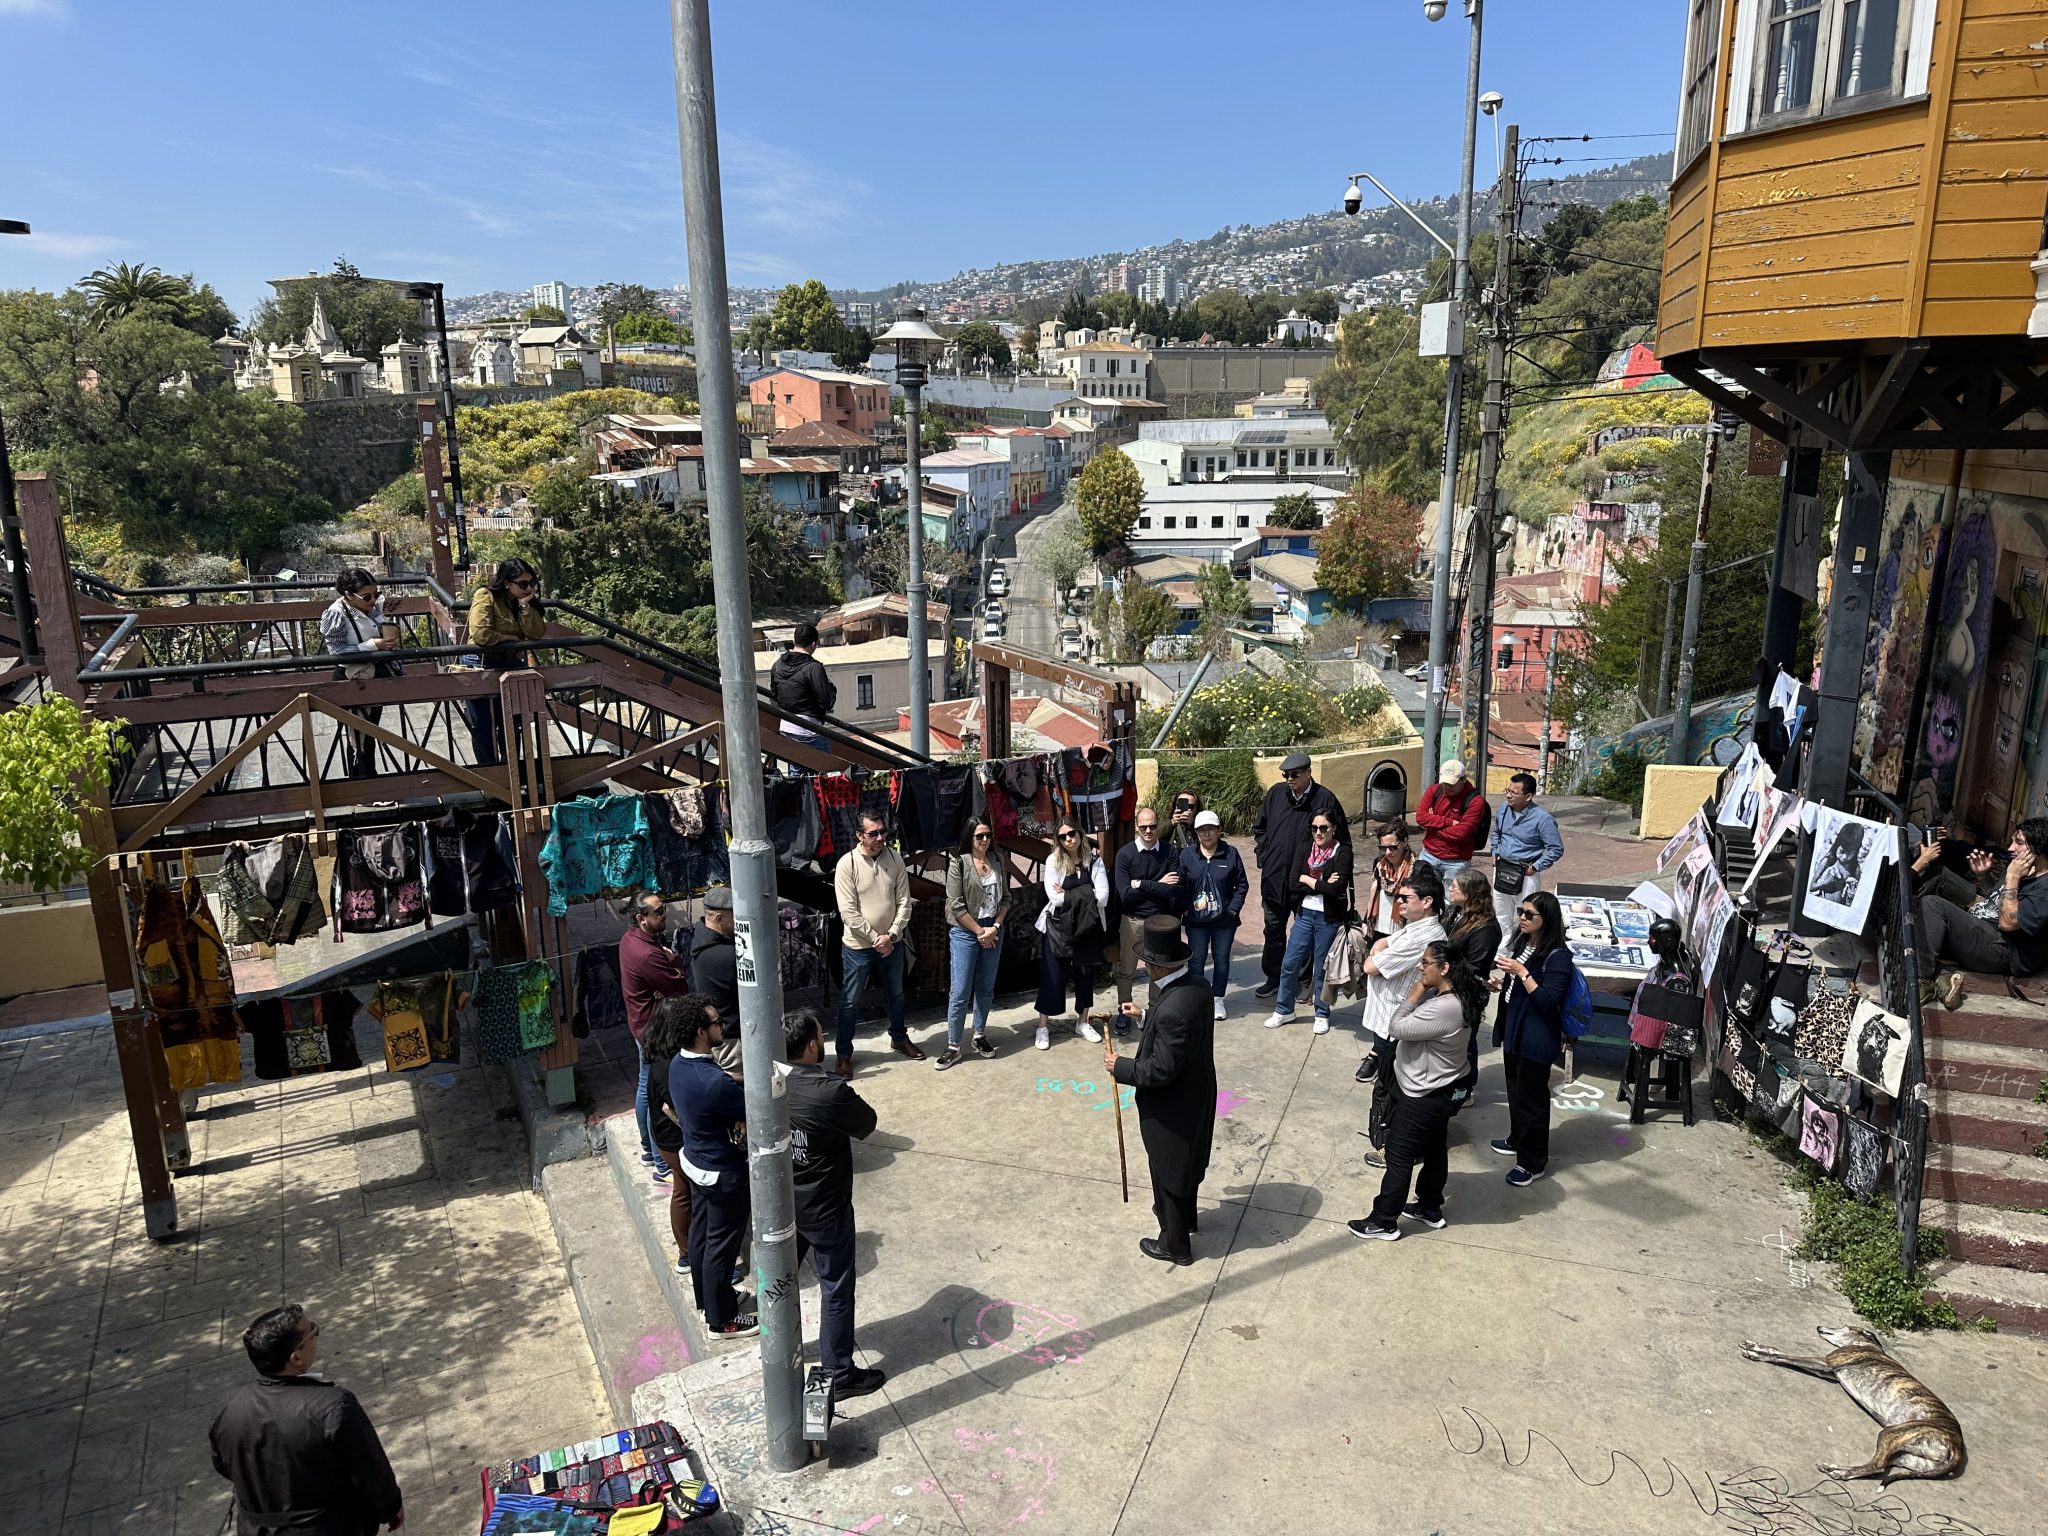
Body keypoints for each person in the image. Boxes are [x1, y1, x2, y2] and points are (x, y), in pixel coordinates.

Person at [209, 1303, 404, 1535]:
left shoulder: (229, 1404)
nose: (316, 1334)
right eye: (313, 1331)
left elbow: (224, 1464)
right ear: (297, 1358)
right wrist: (390, 1507)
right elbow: (369, 1467)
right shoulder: (333, 1406)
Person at [781, 1007, 886, 1399]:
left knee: (779, 1280)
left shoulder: (770, 1080)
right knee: (836, 1289)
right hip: (826, 1209)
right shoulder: (828, 1089)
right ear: (812, 1045)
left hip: (783, 1205)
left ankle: (778, 1351)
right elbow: (867, 1122)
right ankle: (839, 1373)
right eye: (821, 1036)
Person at [1348, 940, 1483, 1241]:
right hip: (1446, 1088)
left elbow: (1395, 1026)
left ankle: (1384, 1220)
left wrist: (1414, 995)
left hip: (1424, 1094)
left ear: (1445, 968)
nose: (1421, 968)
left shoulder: (1443, 1007)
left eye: (1425, 963)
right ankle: (1429, 1207)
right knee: (1435, 1147)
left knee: (1399, 1155)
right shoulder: (1462, 995)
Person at [1104, 915, 1217, 1266]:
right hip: (1198, 1094)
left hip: (1172, 1106)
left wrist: (1120, 1066)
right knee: (1187, 1163)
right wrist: (1142, 1016)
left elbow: (1160, 1069)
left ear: (1154, 967)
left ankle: (1174, 1242)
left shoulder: (1172, 1010)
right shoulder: (1197, 987)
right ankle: (1188, 1220)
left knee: (1167, 1169)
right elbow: (1174, 1029)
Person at [669, 998, 757, 1336]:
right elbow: (751, 1107)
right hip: (723, 1175)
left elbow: (717, 1084)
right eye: (717, 1023)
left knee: (702, 1237)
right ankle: (722, 1321)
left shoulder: (680, 1064)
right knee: (722, 1247)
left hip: (695, 1163)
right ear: (701, 1032)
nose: (723, 1026)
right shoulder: (713, 1083)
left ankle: (710, 1299)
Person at [1910, 819, 2048, 1009]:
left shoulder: (2042, 887)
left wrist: (2012, 877)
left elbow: (2008, 923)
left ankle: (1920, 980)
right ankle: (1942, 977)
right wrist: (1983, 876)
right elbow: (1997, 902)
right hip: (1980, 927)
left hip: (2002, 950)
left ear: (2038, 849)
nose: (2010, 848)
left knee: (1932, 906)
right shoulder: (2020, 868)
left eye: (2019, 842)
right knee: (1937, 875)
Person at [1356, 868, 1449, 1150]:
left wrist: (1376, 955)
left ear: (1427, 901)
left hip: (1394, 1024)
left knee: (1393, 1087)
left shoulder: (1421, 938)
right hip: (1387, 1018)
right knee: (1388, 1084)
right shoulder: (1414, 928)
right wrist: (1379, 949)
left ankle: (1396, 1143)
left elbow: (1371, 966)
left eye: (1406, 897)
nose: (1400, 902)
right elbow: (1382, 942)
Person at [1493, 889, 1575, 1188]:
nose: (1523, 919)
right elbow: (1518, 987)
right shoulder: (1524, 944)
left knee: (1532, 1101)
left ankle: (1532, 1162)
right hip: (1516, 1031)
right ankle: (1517, 1139)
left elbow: (1547, 1000)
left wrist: (1522, 972)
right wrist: (1503, 981)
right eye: (1521, 913)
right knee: (1515, 1091)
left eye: (1530, 915)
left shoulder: (1558, 958)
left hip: (1536, 1037)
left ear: (1547, 920)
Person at [1251, 751, 1349, 1000]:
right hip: (1274, 880)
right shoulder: (1275, 794)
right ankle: (1273, 977)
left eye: (1295, 774)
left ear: (1308, 772)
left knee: (1304, 934)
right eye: (1286, 775)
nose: (1289, 779)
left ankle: (1303, 982)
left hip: (1306, 885)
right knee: (1273, 930)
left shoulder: (1324, 798)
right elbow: (1259, 827)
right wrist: (1264, 856)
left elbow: (1343, 840)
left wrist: (1330, 872)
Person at [833, 812, 921, 1071]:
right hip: (858, 947)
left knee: (896, 994)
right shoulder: (846, 864)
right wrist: (875, 938)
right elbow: (848, 912)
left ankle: (899, 1039)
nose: (880, 837)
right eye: (873, 833)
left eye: (883, 832)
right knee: (850, 1000)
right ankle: (843, 1054)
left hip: (892, 944)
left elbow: (904, 902)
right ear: (860, 835)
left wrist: (891, 935)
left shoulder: (894, 859)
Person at [1262, 807, 1354, 1034]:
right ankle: (1284, 1010)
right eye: (1315, 828)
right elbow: (1293, 882)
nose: (1319, 833)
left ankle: (1322, 1013)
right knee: (1289, 964)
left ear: (1333, 828)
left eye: (1324, 828)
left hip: (1328, 918)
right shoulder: (1304, 849)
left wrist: (1309, 880)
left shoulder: (1343, 853)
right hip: (1304, 916)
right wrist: (1320, 883)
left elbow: (1336, 889)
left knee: (1322, 967)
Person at [621, 891, 692, 1180]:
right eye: (659, 912)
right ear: (641, 919)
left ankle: (650, 1151)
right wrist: (673, 961)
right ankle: (663, 1163)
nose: (665, 915)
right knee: (657, 1094)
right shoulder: (648, 953)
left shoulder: (631, 940)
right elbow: (679, 987)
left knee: (643, 1088)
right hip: (654, 1030)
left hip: (641, 1024)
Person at [642, 994, 711, 1276]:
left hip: (666, 1139)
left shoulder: (659, 1058)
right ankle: (687, 1253)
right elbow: (671, 1108)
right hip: (674, 1140)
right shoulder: (668, 1065)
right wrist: (695, 1130)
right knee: (685, 1192)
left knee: (684, 1191)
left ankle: (688, 1251)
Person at [939, 816, 1011, 1069]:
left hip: (992, 927)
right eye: (979, 836)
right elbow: (956, 905)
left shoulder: (998, 860)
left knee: (986, 986)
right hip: (966, 930)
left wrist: (995, 927)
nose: (984, 840)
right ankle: (953, 1045)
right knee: (959, 991)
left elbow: (1006, 899)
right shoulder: (959, 863)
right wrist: (981, 932)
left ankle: (979, 1035)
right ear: (969, 838)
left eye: (988, 835)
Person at [319, 568, 401, 780]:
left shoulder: (369, 608)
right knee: (357, 736)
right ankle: (362, 786)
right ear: (348, 594)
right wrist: (371, 645)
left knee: (370, 732)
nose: (373, 600)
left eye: (376, 594)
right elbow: (336, 652)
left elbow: (376, 626)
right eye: (367, 596)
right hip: (351, 678)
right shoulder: (336, 614)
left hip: (372, 675)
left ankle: (368, 783)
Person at [466, 557, 547, 767]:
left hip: (511, 664)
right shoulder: (486, 596)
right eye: (522, 584)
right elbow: (482, 635)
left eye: (531, 583)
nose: (528, 588)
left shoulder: (524, 603)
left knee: (513, 722)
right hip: (481, 664)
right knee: (484, 725)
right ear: (506, 583)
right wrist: (510, 638)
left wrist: (525, 607)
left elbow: (536, 633)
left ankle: (511, 769)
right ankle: (490, 773)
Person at [1035, 822, 1109, 1051]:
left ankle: (1083, 1021)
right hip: (1059, 928)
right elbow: (1054, 899)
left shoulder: (1094, 860)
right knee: (1053, 976)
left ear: (1079, 833)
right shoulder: (1054, 861)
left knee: (1085, 975)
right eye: (1063, 836)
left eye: (1072, 833)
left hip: (1087, 927)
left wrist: (1069, 894)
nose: (1069, 839)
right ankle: (1043, 1026)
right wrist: (1088, 893)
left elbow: (1104, 897)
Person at [1113, 805, 1185, 1016]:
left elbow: (1173, 889)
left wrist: (1142, 885)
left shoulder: (1169, 851)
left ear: (1157, 825)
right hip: (1132, 921)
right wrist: (1158, 884)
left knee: (1159, 971)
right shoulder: (1125, 855)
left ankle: (1153, 1013)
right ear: (1137, 827)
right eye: (1143, 826)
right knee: (1126, 971)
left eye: (1152, 826)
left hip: (1161, 922)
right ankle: (1125, 1012)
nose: (1148, 831)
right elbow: (1125, 895)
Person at [1444, 866, 1505, 1107]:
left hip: (1468, 992)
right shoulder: (1454, 911)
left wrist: (1444, 964)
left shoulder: (1486, 927)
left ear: (1469, 893)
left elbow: (1475, 966)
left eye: (1456, 887)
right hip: (1448, 985)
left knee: (1465, 1042)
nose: (1450, 889)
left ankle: (1464, 1090)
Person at [1179, 809, 1247, 1021]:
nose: (1206, 834)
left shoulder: (1231, 853)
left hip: (1224, 921)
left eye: (1210, 829)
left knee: (1221, 958)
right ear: (1195, 832)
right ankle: (1198, 998)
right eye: (1201, 830)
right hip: (1196, 921)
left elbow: (1242, 884)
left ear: (1219, 830)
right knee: (1197, 959)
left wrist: (1232, 909)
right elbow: (1180, 884)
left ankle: (1218, 998)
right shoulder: (1187, 855)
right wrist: (1184, 907)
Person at [1489, 773, 1565, 934]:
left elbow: (1556, 848)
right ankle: (1502, 950)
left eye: (1514, 793)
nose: (1509, 795)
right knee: (1501, 912)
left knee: (1525, 915)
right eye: (1508, 791)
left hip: (1525, 872)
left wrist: (1536, 867)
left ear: (1528, 796)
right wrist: (1495, 852)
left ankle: (1521, 948)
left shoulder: (1543, 819)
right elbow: (1497, 833)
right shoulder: (1503, 809)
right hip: (1502, 868)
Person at [688, 886, 745, 1077]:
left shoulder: (702, 937)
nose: (740, 920)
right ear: (719, 918)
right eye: (735, 915)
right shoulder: (724, 956)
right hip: (732, 1041)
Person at [770, 621, 838, 758]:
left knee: (796, 771)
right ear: (814, 644)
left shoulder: (777, 665)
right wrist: (830, 686)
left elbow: (774, 696)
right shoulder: (813, 668)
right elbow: (828, 701)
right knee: (825, 770)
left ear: (795, 641)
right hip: (810, 730)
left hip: (786, 727)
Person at [1414, 758, 1486, 878]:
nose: (1448, 787)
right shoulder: (1434, 790)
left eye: (1452, 784)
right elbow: (1420, 817)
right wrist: (1449, 822)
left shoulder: (1475, 801)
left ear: (1463, 779)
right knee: (1424, 894)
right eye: (1445, 783)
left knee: (1452, 896)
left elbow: (1460, 833)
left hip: (1456, 861)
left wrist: (1432, 825)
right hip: (1429, 854)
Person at [1361, 819, 1415, 938]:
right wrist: (1366, 921)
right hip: (1378, 927)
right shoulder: (1379, 864)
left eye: (1393, 847)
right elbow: (1374, 894)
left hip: (1403, 932)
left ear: (1405, 842)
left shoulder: (1417, 869)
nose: (1388, 852)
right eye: (1383, 848)